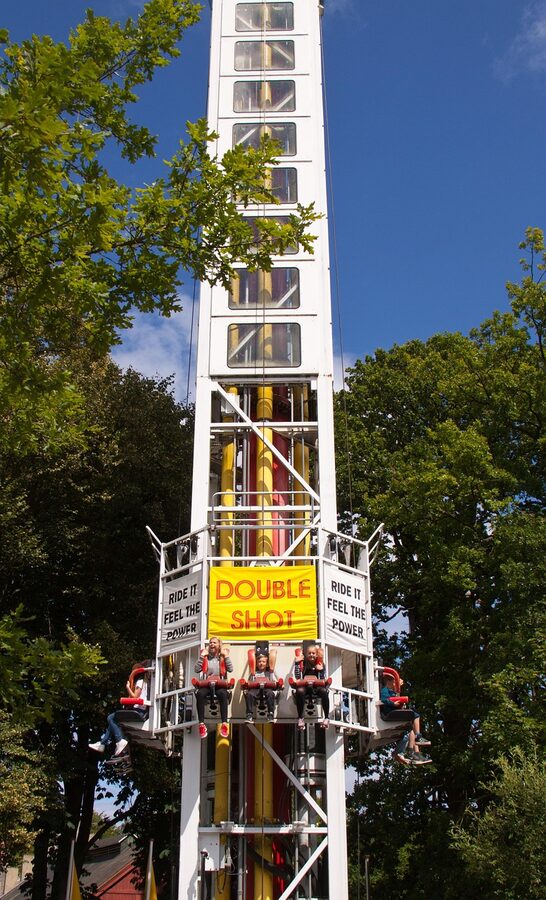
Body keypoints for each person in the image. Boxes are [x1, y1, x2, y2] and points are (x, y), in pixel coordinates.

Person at [89, 661, 151, 757]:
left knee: (110, 718)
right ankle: (102, 743)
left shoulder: (140, 682)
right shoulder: (147, 683)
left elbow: (135, 697)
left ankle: (119, 741)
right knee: (113, 720)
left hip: (139, 711)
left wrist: (127, 688)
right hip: (141, 711)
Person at [380, 673, 431, 765]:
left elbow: (396, 697)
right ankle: (416, 741)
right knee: (414, 715)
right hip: (389, 713)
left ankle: (413, 752)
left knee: (410, 729)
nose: (397, 683)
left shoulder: (391, 691)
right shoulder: (385, 690)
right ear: (388, 681)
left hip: (393, 712)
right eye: (395, 681)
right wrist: (393, 704)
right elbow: (384, 699)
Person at [194, 637, 233, 739]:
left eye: (214, 643)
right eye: (210, 643)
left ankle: (224, 723)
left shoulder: (222, 657)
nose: (212, 644)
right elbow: (197, 669)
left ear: (219, 645)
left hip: (220, 683)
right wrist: (202, 656)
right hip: (207, 683)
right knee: (200, 694)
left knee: (223, 694)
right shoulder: (206, 657)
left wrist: (226, 656)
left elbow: (230, 669)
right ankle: (201, 724)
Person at [293, 643, 330, 730]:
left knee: (324, 691)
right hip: (305, 686)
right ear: (306, 654)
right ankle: (300, 718)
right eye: (309, 653)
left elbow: (322, 678)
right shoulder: (303, 663)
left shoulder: (320, 663)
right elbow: (298, 676)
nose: (311, 655)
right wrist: (297, 663)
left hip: (316, 687)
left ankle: (327, 717)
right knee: (300, 691)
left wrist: (321, 670)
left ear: (316, 654)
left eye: (313, 653)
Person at [245, 653, 277, 723]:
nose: (261, 663)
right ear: (256, 664)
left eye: (263, 662)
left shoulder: (270, 673)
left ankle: (270, 714)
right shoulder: (254, 673)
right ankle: (249, 714)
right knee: (249, 694)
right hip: (256, 688)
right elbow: (250, 682)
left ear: (267, 664)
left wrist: (275, 682)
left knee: (270, 694)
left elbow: (274, 681)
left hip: (267, 687)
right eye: (259, 662)